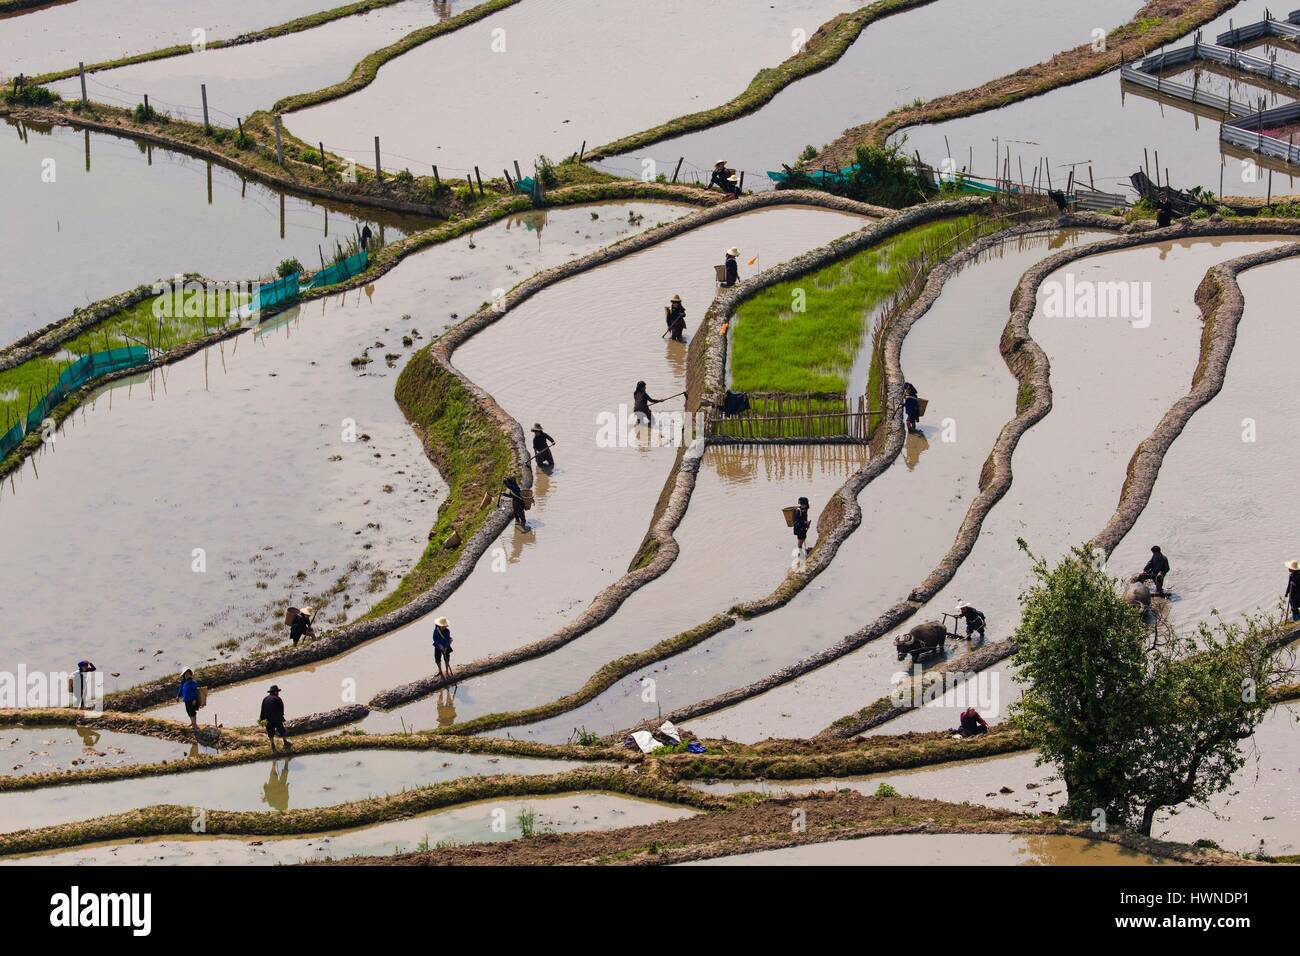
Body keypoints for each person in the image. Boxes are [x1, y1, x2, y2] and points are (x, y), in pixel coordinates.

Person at [259, 685, 291, 752]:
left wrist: (262, 719)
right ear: (275, 692)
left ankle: (272, 745)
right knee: (281, 730)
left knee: (270, 732)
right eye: (278, 692)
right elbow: (281, 709)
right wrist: (282, 717)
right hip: (276, 718)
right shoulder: (277, 699)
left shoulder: (265, 699)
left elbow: (262, 709)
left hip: (267, 719)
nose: (278, 693)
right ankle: (285, 742)